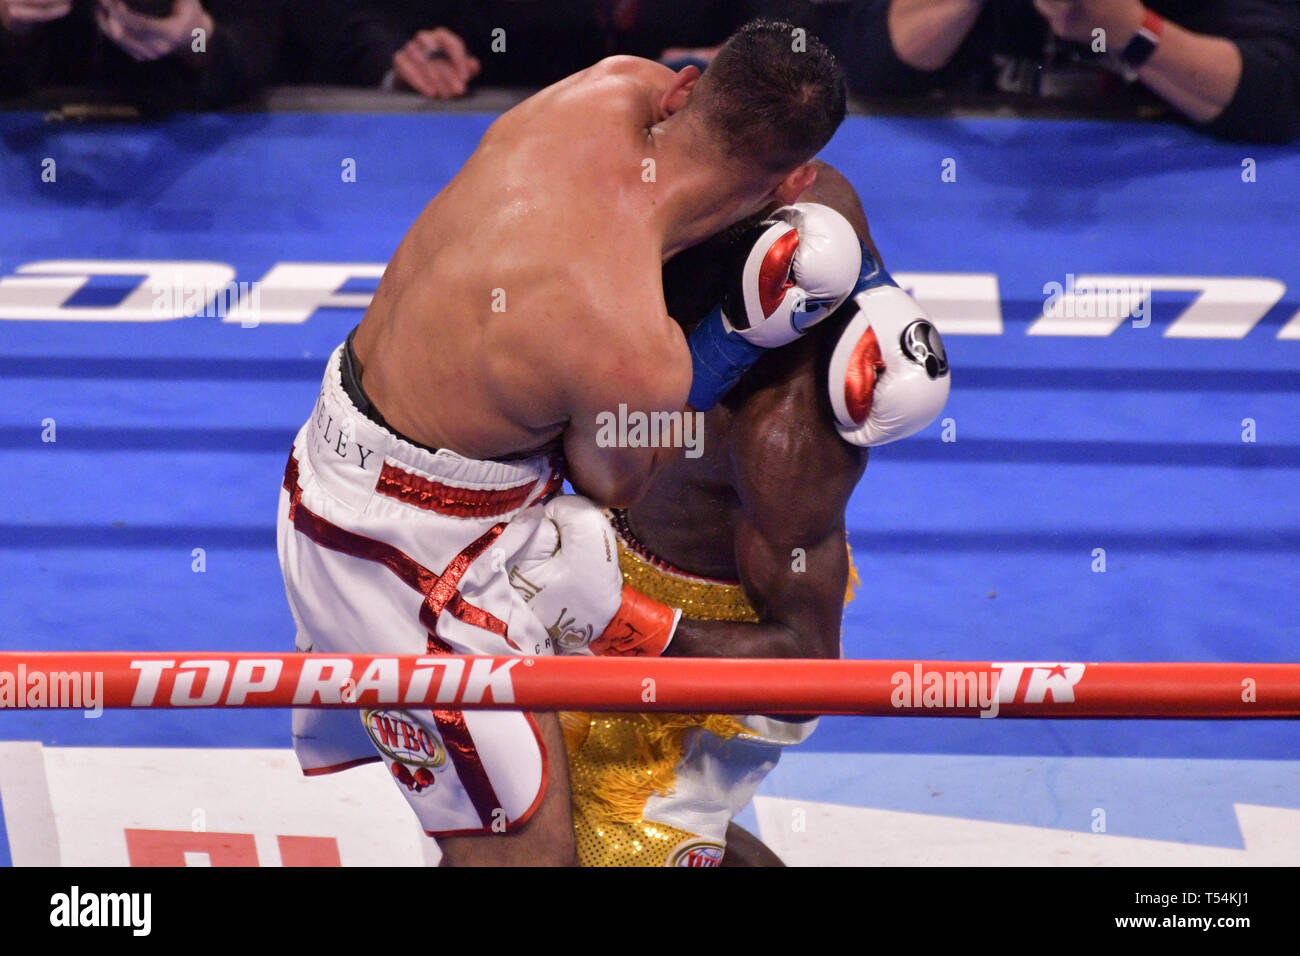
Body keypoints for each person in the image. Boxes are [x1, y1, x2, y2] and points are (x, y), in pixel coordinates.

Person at [278, 20, 856, 867]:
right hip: (417, 560)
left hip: (338, 441)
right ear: (792, 180)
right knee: (530, 862)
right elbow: (609, 482)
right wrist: (726, 344)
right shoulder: (637, 356)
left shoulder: (603, 88)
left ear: (687, 87)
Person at [510, 162, 951, 865]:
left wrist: (623, 620)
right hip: (588, 553)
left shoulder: (786, 441)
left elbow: (805, 676)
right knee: (490, 815)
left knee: (611, 851)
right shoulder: (779, 198)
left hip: (699, 666)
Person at [817, 0, 1300, 143]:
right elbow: (850, 63)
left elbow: (1276, 94)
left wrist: (1131, 31)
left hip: (1164, 211)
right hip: (966, 207)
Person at [0, 0, 281, 111]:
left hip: (188, 138)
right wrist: (13, 26)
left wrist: (193, 39)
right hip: (34, 133)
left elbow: (251, 56)